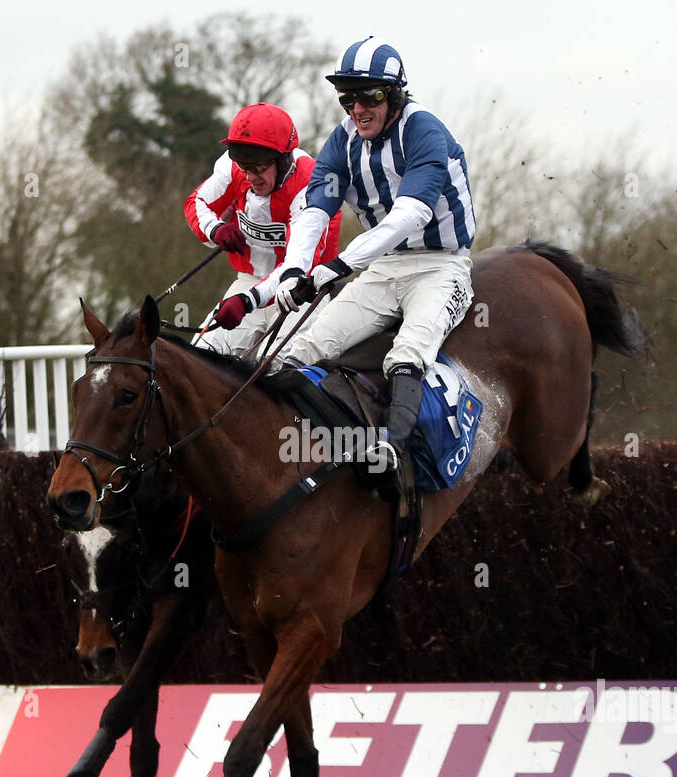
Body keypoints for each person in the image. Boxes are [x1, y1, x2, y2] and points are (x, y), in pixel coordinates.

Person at [250, 37, 477, 492]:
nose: (357, 109)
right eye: (348, 98)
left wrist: (334, 268)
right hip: (383, 267)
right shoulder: (343, 139)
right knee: (301, 350)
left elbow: (408, 215)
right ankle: (323, 447)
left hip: (441, 267)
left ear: (395, 95)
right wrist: (296, 268)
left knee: (407, 354)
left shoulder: (424, 131)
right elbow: (315, 209)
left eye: (370, 96)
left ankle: (390, 448)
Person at [184, 103, 341, 356]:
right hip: (248, 281)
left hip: (303, 289)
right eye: (244, 167)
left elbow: (296, 265)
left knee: (276, 368)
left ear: (285, 159)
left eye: (258, 168)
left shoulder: (310, 186)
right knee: (201, 357)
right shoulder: (233, 167)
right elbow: (196, 202)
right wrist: (215, 229)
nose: (250, 177)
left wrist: (248, 301)